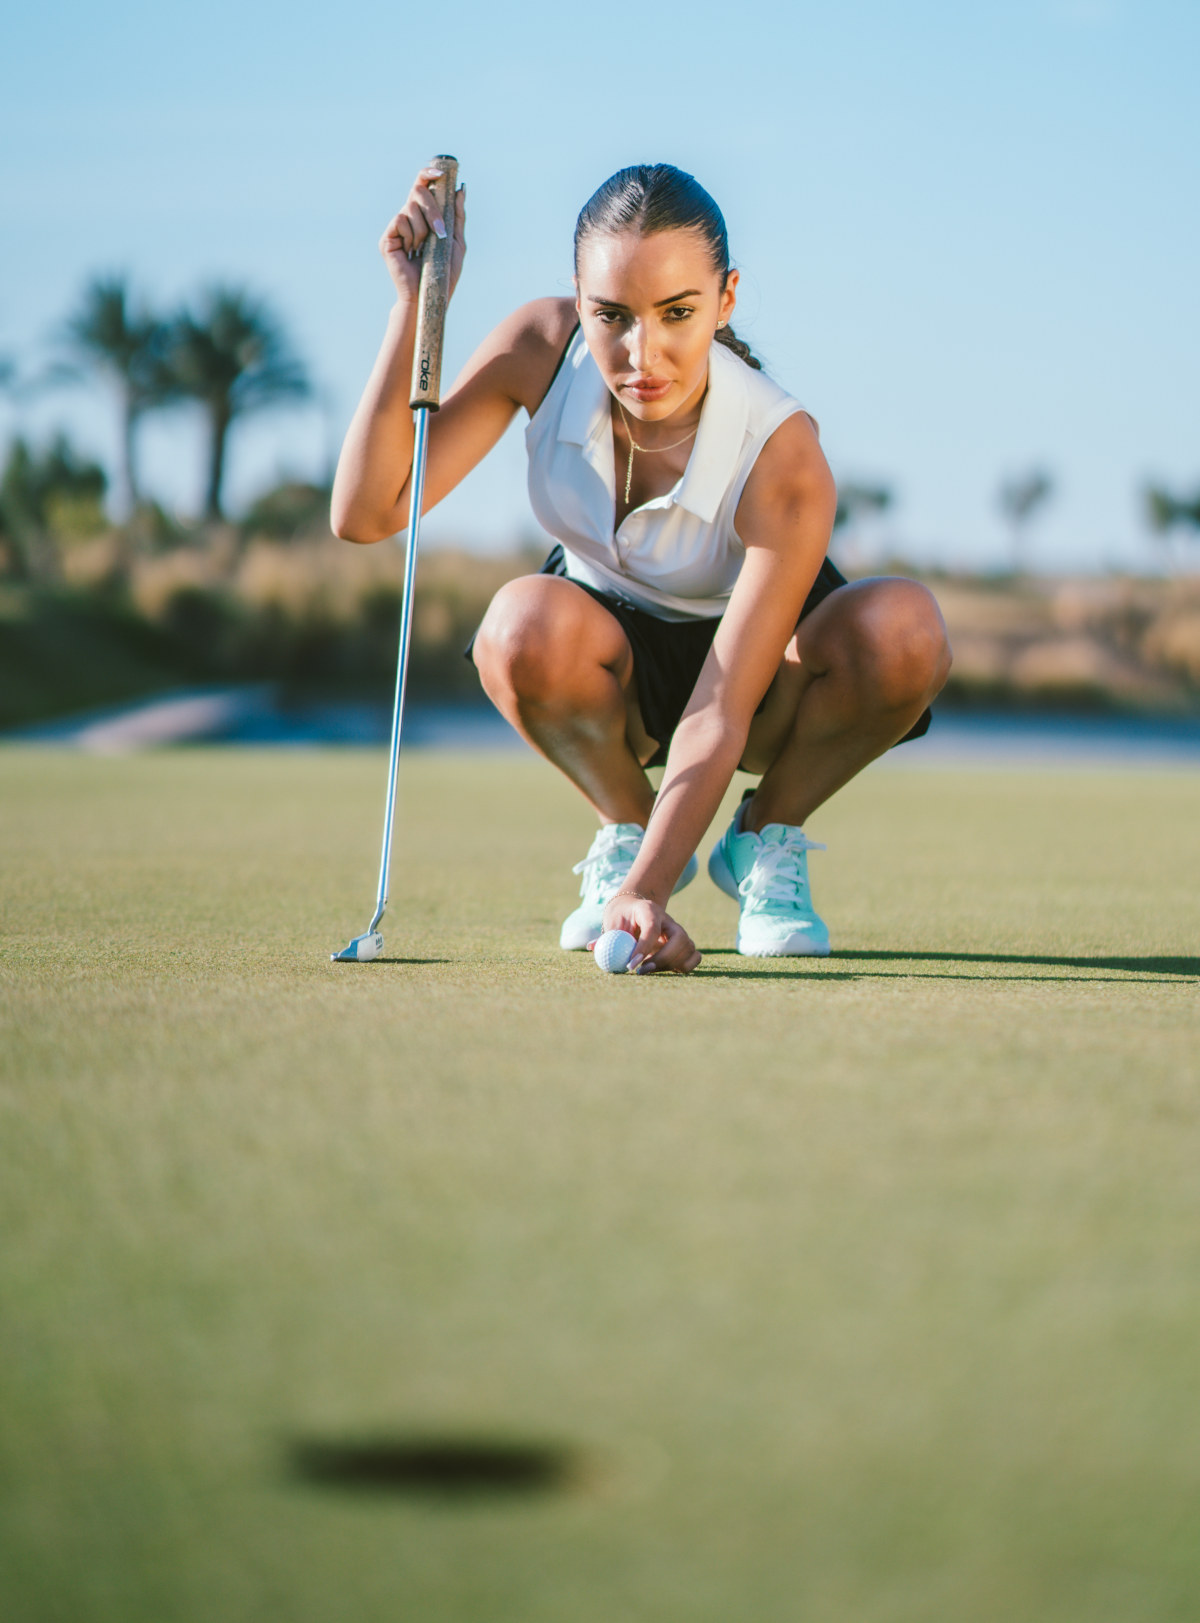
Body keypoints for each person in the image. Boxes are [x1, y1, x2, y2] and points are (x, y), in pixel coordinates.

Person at [332, 161, 952, 976]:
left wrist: (647, 898)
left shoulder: (783, 451)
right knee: (517, 624)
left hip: (761, 682)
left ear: (726, 299)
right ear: (578, 297)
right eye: (612, 315)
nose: (640, 354)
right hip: (605, 660)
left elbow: (720, 707)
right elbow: (367, 512)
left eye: (678, 313)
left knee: (904, 631)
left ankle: (767, 832)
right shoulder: (542, 348)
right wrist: (419, 306)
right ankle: (627, 824)